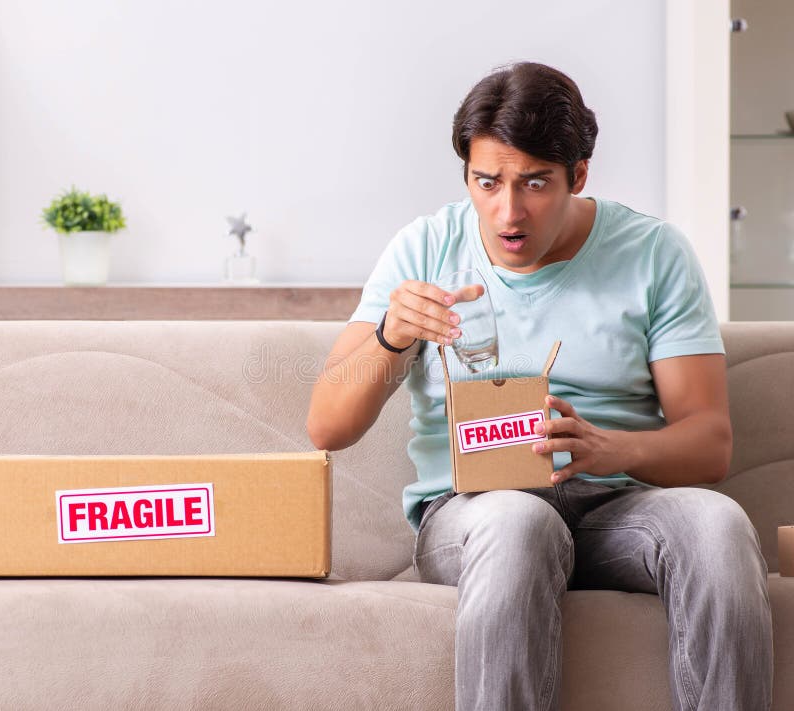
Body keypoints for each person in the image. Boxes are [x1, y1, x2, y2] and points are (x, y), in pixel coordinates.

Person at [307, 62, 773, 710]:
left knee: (717, 525)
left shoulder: (653, 254)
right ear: (466, 174)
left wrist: (611, 450)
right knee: (520, 519)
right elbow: (326, 424)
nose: (508, 212)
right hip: (474, 512)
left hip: (617, 509)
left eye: (535, 183)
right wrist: (391, 335)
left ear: (578, 174)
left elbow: (709, 442)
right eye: (487, 182)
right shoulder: (425, 248)